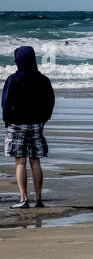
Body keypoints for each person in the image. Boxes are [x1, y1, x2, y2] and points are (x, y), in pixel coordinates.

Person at [3, 46, 56, 209]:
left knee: (20, 161)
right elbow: (50, 102)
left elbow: (5, 103)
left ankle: (23, 198)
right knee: (35, 161)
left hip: (17, 124)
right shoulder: (43, 80)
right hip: (36, 123)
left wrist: (7, 121)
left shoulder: (13, 79)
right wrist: (43, 120)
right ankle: (39, 199)